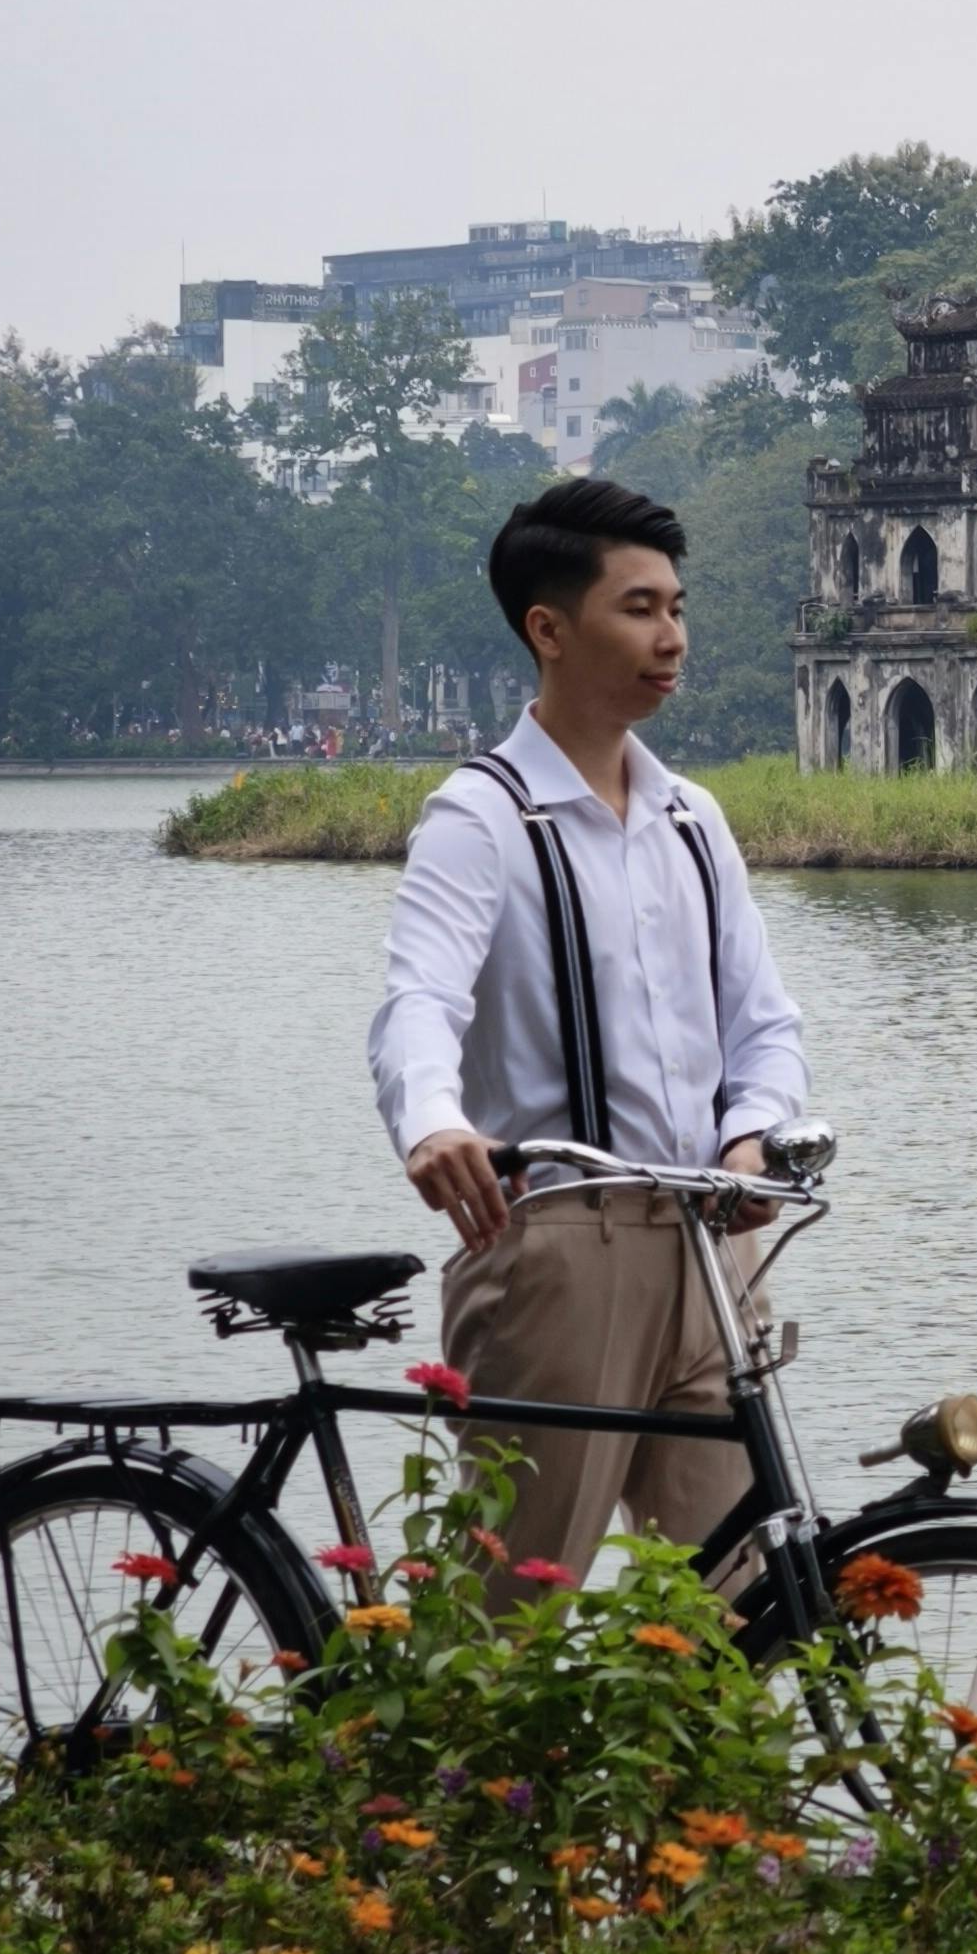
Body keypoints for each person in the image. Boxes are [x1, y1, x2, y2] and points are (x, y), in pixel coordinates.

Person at [367, 476, 808, 1585]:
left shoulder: (692, 818)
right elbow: (418, 999)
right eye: (640, 609)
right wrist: (430, 1123)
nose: (672, 638)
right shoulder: (481, 818)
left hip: (713, 1247)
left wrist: (754, 1134)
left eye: (676, 607)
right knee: (511, 1612)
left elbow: (764, 1026)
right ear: (548, 630)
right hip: (562, 1249)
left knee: (738, 1610)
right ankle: (446, 1771)